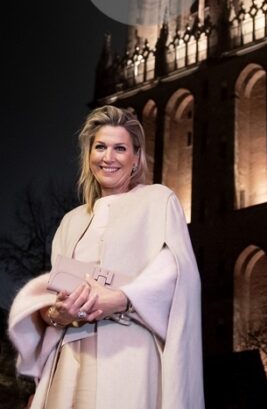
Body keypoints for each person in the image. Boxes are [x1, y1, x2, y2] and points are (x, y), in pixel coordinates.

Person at [7, 106, 205, 409]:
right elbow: (55, 291)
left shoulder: (157, 201)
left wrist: (121, 298)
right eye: (100, 147)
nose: (108, 157)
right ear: (89, 155)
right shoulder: (70, 221)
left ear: (136, 158)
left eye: (120, 148)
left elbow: (174, 269)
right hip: (71, 355)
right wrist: (58, 314)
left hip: (128, 352)